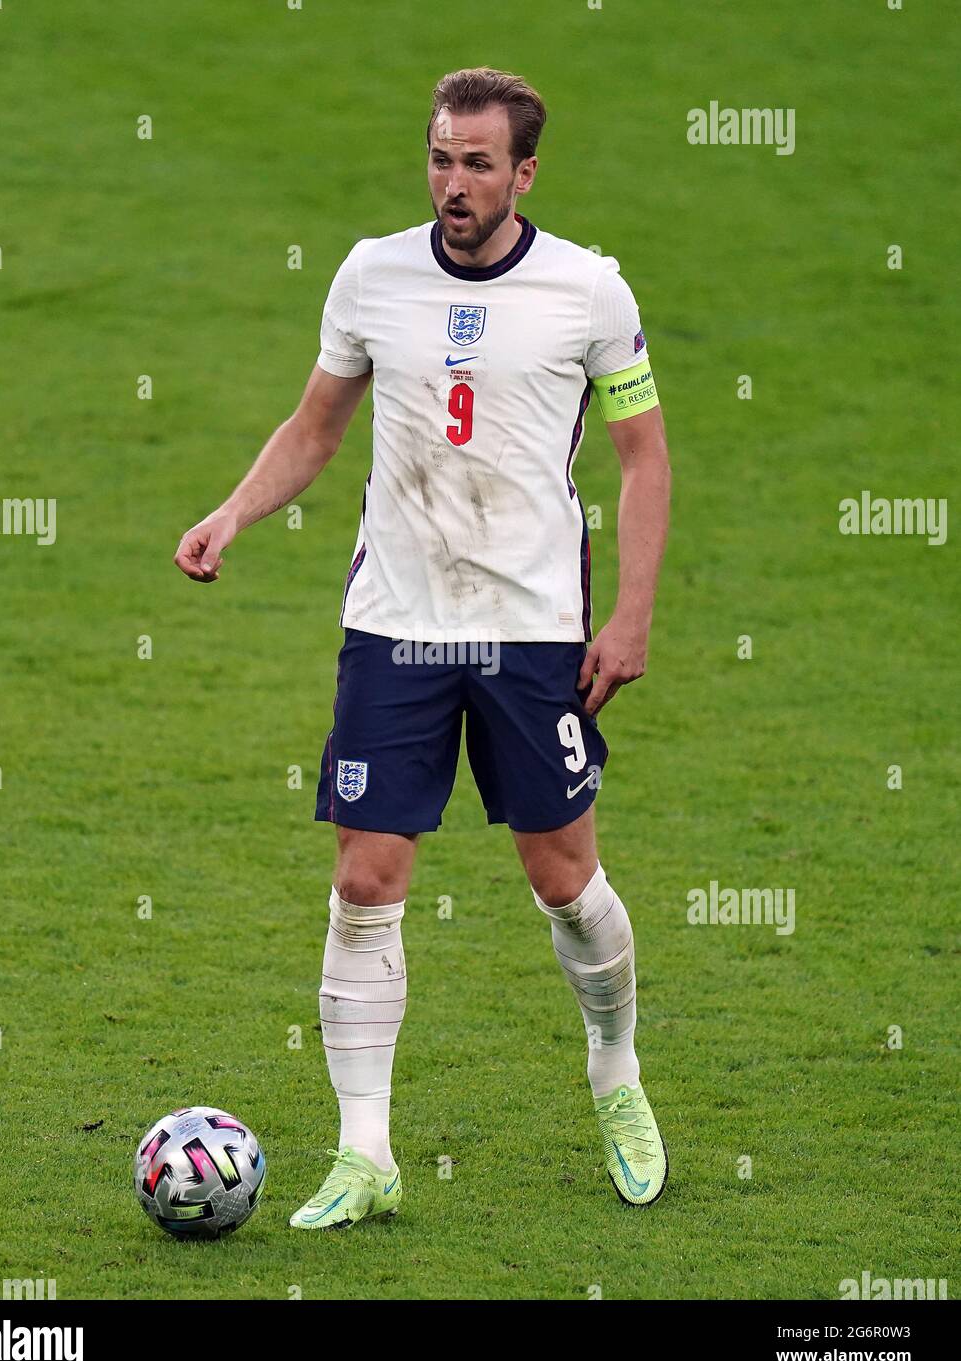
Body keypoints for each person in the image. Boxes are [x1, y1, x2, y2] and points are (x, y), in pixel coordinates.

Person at [175, 67, 671, 1228]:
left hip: (530, 627)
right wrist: (232, 513)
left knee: (562, 877)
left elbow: (643, 457)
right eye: (442, 158)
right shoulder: (371, 274)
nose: (455, 184)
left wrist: (632, 614)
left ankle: (616, 1071)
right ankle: (367, 1153)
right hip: (393, 622)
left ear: (525, 172)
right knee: (364, 877)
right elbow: (317, 424)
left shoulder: (587, 290)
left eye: (479, 163)